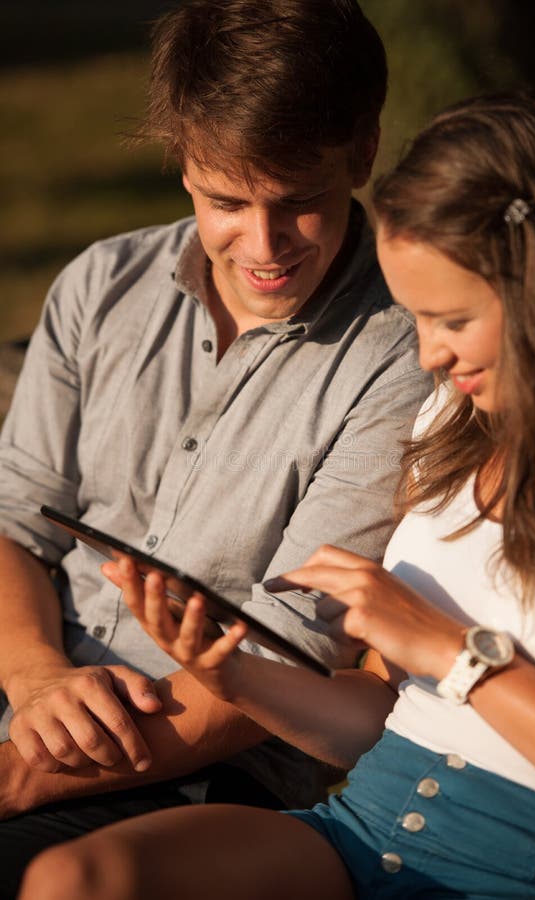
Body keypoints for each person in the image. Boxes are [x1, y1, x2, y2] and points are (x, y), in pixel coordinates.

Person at [17, 91, 535, 900]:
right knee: (79, 879)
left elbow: (443, 669)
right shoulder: (452, 428)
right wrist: (230, 674)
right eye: (416, 315)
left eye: (450, 318)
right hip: (363, 828)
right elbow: (375, 717)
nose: (427, 352)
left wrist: (455, 657)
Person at [0, 1, 431, 896]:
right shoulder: (101, 284)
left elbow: (288, 660)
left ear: (362, 151)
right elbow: (12, 525)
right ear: (181, 159)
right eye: (225, 201)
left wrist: (21, 771)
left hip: (189, 779)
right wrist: (38, 679)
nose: (263, 248)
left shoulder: (407, 351)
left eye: (300, 203)